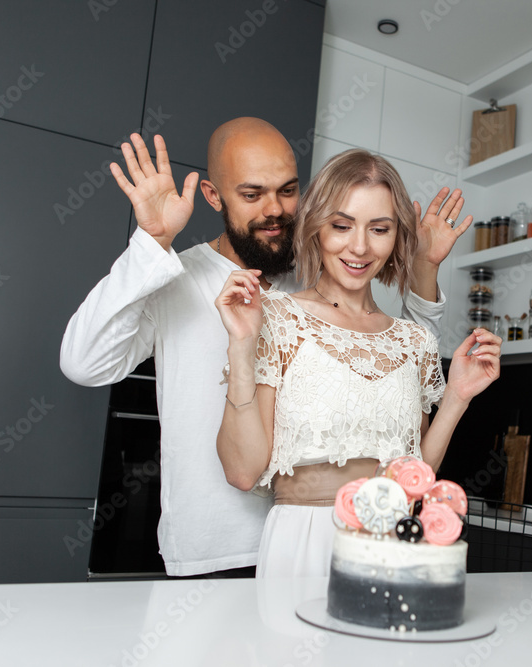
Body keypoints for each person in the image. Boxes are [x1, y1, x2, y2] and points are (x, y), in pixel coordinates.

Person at [60, 118, 472, 576]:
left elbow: (394, 373)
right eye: (253, 194)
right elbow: (85, 363)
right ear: (215, 197)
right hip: (214, 547)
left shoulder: (324, 274)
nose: (274, 210)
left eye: (288, 190)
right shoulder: (174, 276)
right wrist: (154, 243)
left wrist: (423, 270)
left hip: (332, 540)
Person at [215, 148, 502, 578]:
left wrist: (457, 397)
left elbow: (416, 473)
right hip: (305, 541)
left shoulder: (413, 340)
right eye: (342, 226)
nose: (361, 246)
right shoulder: (275, 317)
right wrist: (241, 345)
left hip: (394, 543)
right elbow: (242, 471)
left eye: (380, 228)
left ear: (397, 236)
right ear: (315, 228)